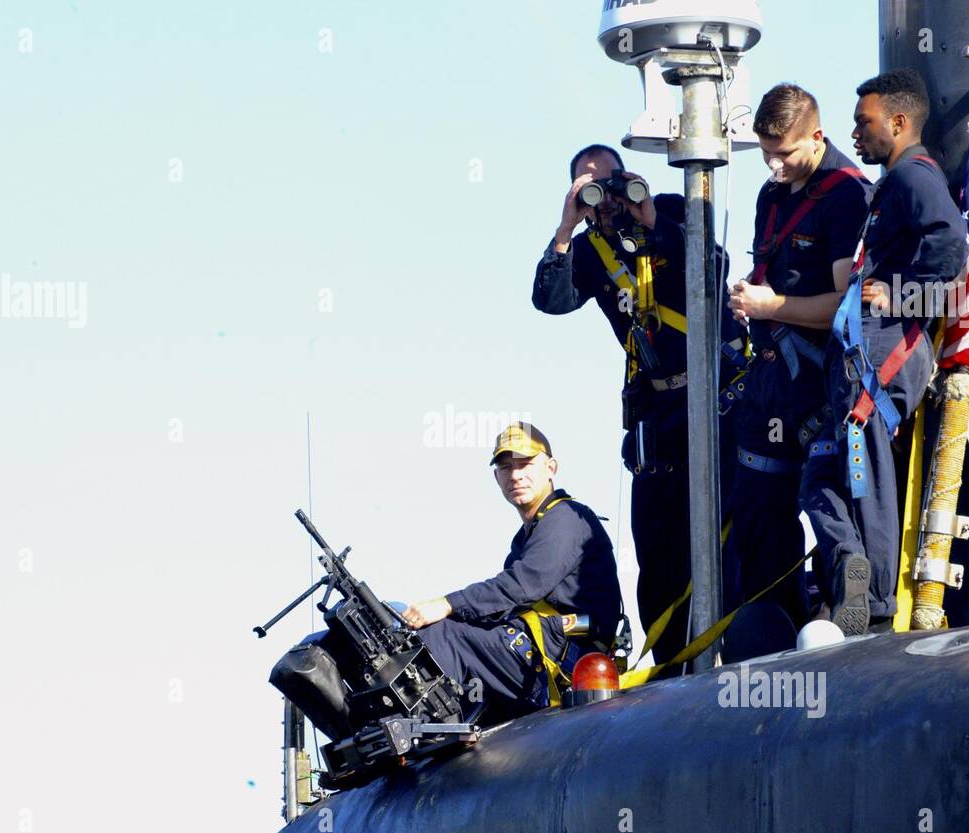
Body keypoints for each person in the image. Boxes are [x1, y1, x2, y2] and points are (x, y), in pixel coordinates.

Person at [532, 144, 744, 673]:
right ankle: (672, 667)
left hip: (717, 395)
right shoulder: (586, 250)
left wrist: (650, 217)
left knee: (733, 534)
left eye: (609, 183)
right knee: (658, 547)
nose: (605, 200)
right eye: (589, 189)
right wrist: (566, 227)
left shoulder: (669, 208)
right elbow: (549, 300)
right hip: (656, 407)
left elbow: (713, 270)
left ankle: (743, 651)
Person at [273, 422, 623, 739]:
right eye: (505, 466)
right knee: (399, 629)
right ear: (496, 477)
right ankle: (376, 728)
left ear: (551, 468)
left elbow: (520, 587)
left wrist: (445, 605)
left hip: (561, 657)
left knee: (442, 634)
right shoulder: (530, 532)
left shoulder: (564, 519)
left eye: (525, 464)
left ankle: (416, 726)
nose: (515, 475)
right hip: (537, 647)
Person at [799, 68, 967, 635]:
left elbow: (952, 261)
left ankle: (872, 611)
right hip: (856, 359)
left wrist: (896, 292)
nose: (855, 132)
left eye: (863, 122)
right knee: (819, 476)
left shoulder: (915, 178)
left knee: (862, 470)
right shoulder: (891, 186)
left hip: (883, 359)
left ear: (898, 122)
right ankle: (851, 571)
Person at [725, 84, 872, 646]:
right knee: (758, 514)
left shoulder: (847, 196)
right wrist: (752, 298)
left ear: (816, 136)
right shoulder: (772, 193)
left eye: (784, 153)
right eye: (766, 153)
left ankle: (842, 619)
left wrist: (773, 306)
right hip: (766, 382)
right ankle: (773, 633)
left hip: (820, 386)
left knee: (825, 498)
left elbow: (845, 304)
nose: (774, 164)